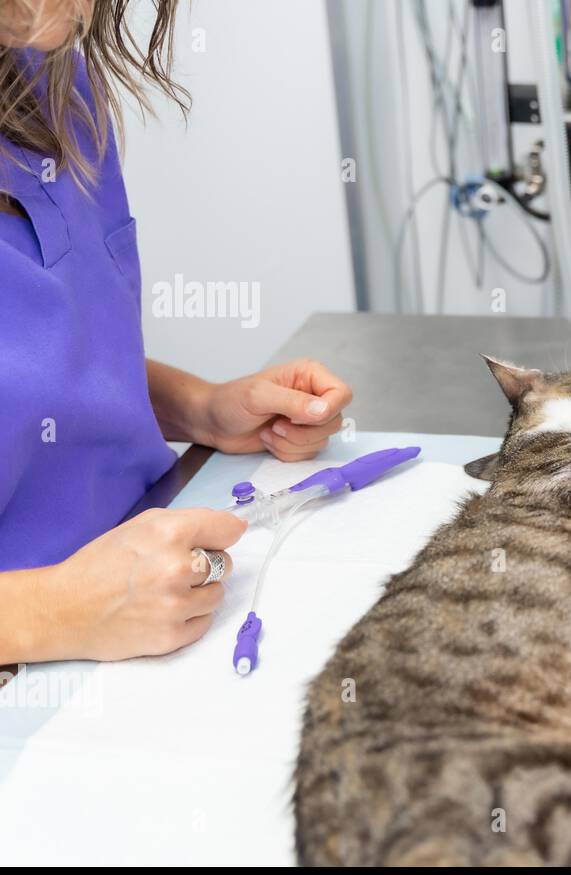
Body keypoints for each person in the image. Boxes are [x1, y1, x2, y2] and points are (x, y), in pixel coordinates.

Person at [0, 1, 352, 663]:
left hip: (154, 586)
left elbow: (50, 348)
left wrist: (202, 409)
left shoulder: (48, 77)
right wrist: (51, 612)